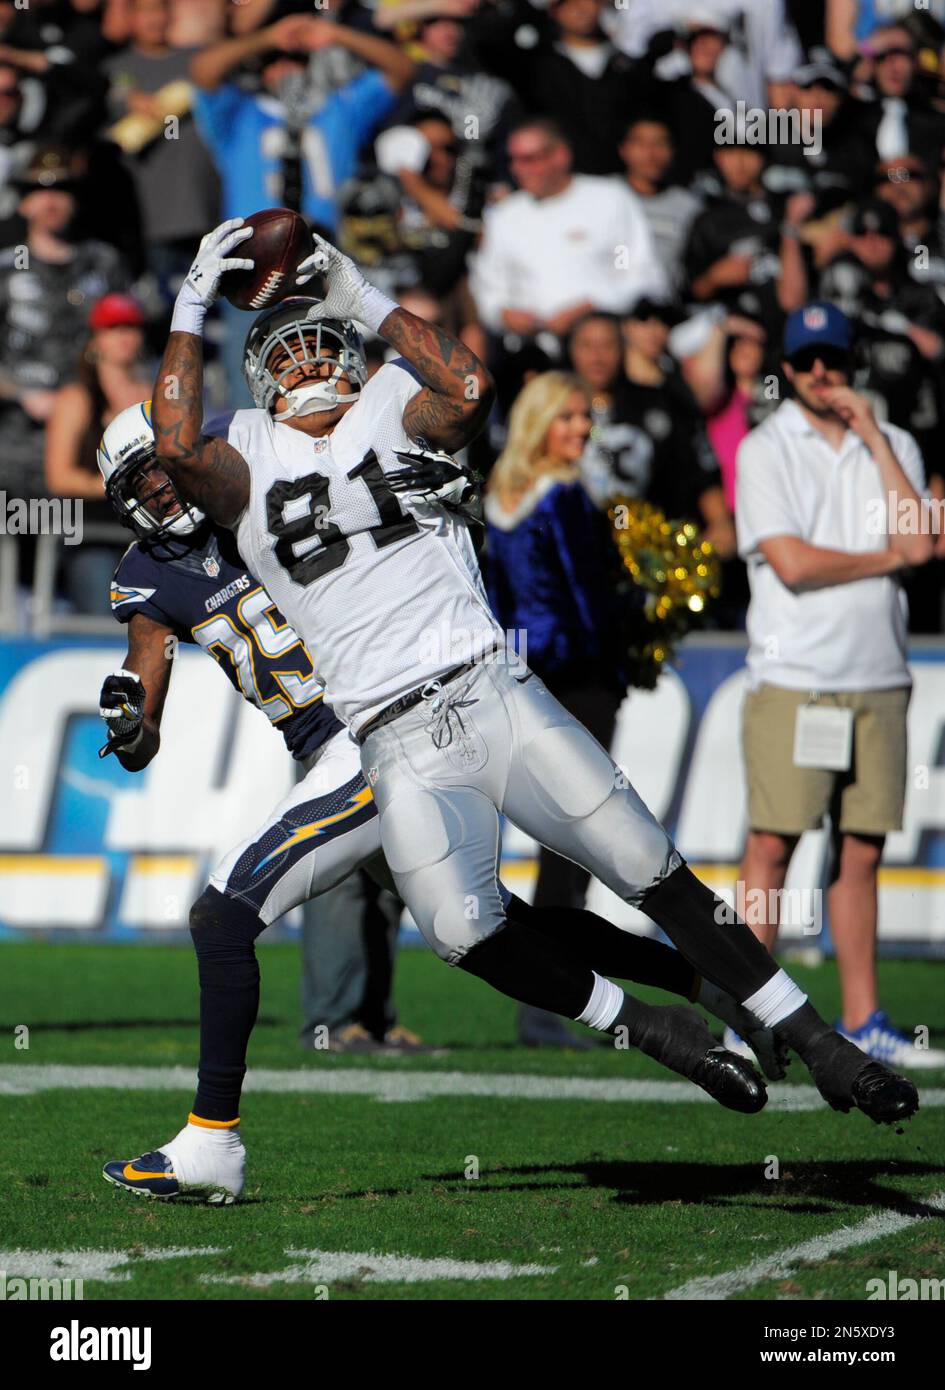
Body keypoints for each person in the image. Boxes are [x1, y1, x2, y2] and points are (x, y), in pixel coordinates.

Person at [142, 220, 919, 1196]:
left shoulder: (390, 400)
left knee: (653, 868)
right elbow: (172, 440)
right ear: (254, 380)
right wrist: (190, 301)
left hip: (491, 685)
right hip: (392, 738)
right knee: (467, 931)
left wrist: (357, 291)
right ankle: (650, 1027)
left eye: (320, 336)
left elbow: (469, 384)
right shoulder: (240, 456)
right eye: (283, 346)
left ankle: (820, 1041)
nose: (306, 355)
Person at [97, 397, 793, 1200]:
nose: (155, 492)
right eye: (137, 483)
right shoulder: (144, 576)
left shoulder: (263, 495)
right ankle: (705, 995)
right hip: (328, 753)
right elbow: (142, 717)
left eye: (160, 468)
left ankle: (211, 1141)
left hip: (378, 736)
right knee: (504, 927)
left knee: (223, 917)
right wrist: (128, 719)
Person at [733, 301, 945, 1069]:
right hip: (796, 678)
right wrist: (890, 557)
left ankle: (864, 1016)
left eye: (833, 359)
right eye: (805, 362)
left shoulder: (893, 444)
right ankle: (751, 1014)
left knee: (861, 853)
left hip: (878, 677)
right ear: (785, 371)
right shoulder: (764, 449)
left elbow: (920, 541)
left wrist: (871, 436)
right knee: (770, 846)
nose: (821, 374)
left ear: (852, 362)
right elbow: (792, 563)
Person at [469, 118, 667, 411]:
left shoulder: (610, 199)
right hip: (532, 352)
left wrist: (589, 306)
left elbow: (645, 273)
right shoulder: (504, 216)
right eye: (514, 160)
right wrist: (504, 314)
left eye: (529, 159)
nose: (518, 169)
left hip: (607, 343)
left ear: (560, 155)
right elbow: (488, 290)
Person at [44, 293, 152, 614]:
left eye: (131, 326)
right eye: (113, 327)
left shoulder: (151, 396)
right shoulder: (76, 399)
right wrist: (119, 488)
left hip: (146, 532)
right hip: (93, 535)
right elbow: (59, 477)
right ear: (95, 338)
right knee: (103, 623)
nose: (124, 336)